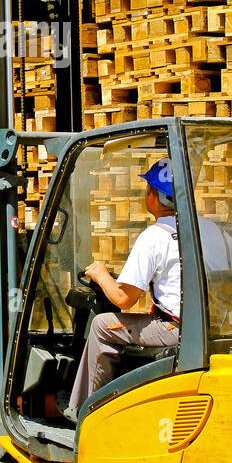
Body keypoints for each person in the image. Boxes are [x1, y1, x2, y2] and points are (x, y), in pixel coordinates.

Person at [64, 160, 181, 420]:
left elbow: (123, 298)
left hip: (175, 330)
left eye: (147, 189)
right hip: (211, 330)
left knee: (103, 326)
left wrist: (101, 274)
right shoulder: (208, 230)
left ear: (154, 196)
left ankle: (87, 412)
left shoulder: (156, 236)